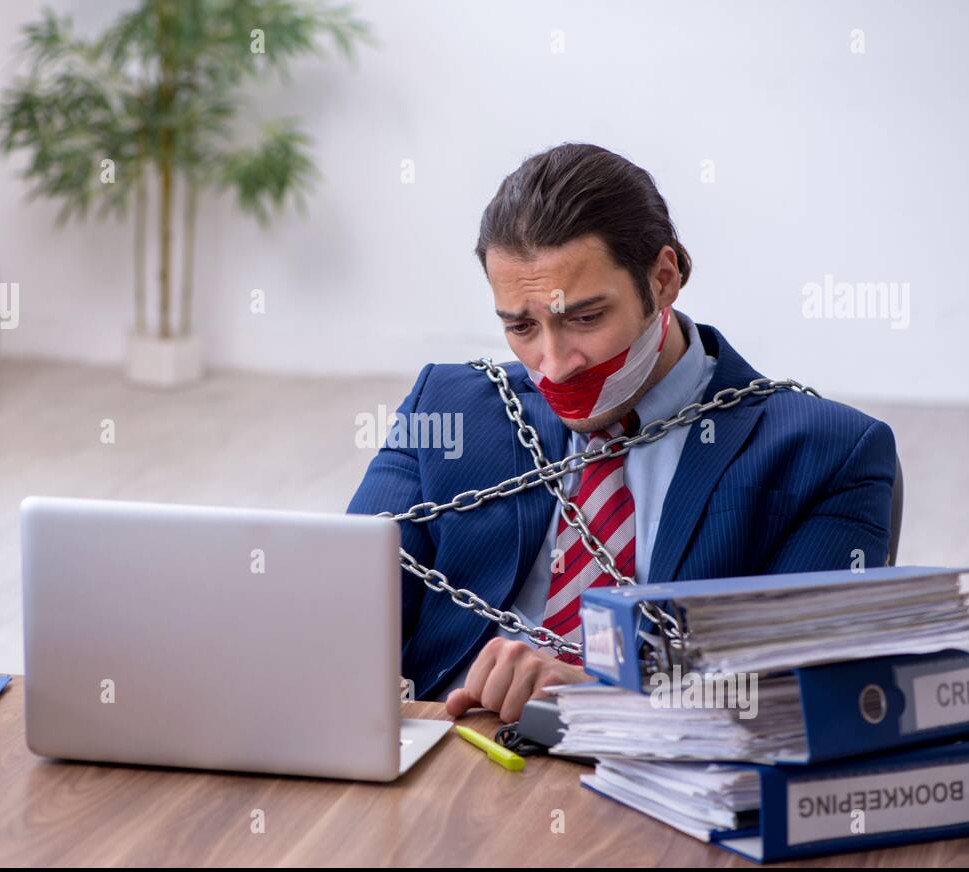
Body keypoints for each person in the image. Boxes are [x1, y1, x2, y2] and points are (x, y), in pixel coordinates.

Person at [348, 143, 896, 723]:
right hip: (446, 756)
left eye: (585, 318)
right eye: (522, 326)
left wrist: (599, 693)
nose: (554, 364)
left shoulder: (827, 452)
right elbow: (339, 605)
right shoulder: (450, 407)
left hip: (653, 784)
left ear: (662, 279)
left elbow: (801, 696)